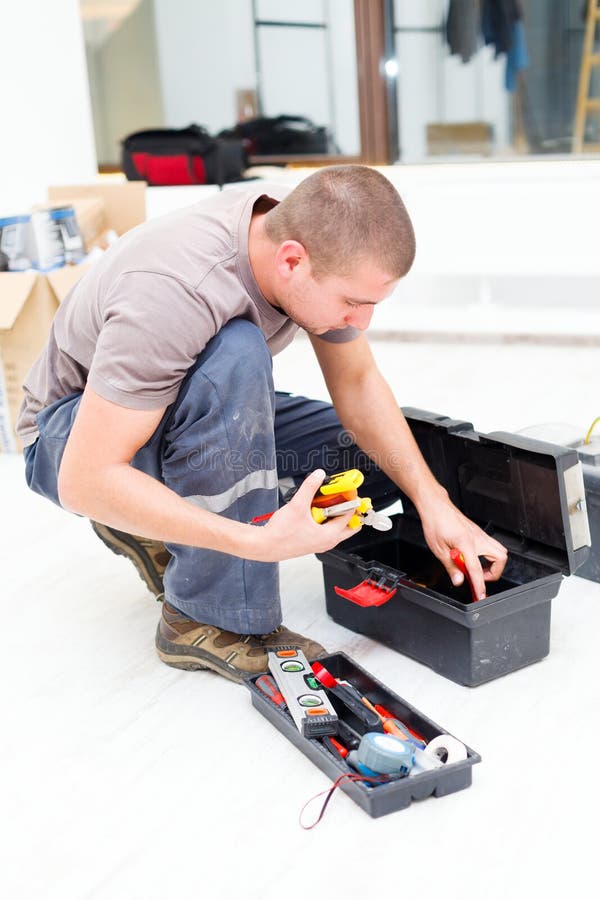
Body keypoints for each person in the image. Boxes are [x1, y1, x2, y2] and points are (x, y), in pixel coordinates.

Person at [17, 165, 507, 682]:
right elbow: (85, 478)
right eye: (352, 302)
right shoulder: (176, 291)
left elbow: (358, 383)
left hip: (172, 408)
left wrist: (435, 503)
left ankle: (154, 521)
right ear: (292, 260)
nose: (361, 323)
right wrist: (257, 543)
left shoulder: (301, 227)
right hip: (72, 438)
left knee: (373, 463)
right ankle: (204, 618)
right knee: (238, 351)